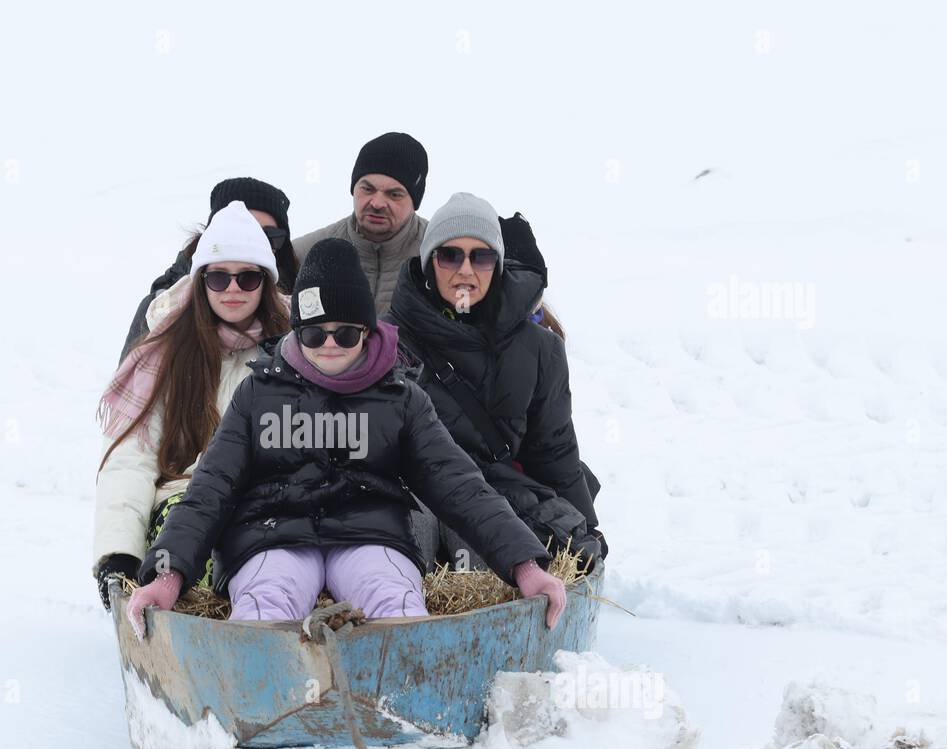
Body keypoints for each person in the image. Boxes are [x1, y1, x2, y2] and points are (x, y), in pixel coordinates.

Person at [123, 238, 566, 638]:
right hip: (271, 535)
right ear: (297, 331)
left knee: (396, 604)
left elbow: (458, 484)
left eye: (346, 333)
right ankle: (251, 714)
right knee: (263, 607)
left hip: (370, 534)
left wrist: (525, 565)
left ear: (368, 332)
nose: (329, 344)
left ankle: (403, 715)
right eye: (314, 332)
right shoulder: (258, 394)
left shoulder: (401, 398)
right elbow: (211, 489)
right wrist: (168, 574)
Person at [386, 192, 606, 570]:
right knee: (404, 552)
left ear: (498, 265)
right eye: (450, 255)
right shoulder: (386, 342)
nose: (466, 270)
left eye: (481, 256)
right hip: (411, 494)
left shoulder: (540, 350)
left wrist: (585, 530)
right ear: (428, 264)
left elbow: (553, 452)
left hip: (492, 498)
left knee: (485, 548)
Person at [92, 201, 291, 610]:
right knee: (187, 553)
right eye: (219, 278)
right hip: (183, 500)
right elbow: (133, 456)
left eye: (248, 278)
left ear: (266, 283)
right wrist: (119, 553)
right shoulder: (167, 351)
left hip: (266, 502)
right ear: (201, 281)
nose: (233, 289)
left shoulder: (295, 348)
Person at [119, 177, 298, 364]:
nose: (250, 241)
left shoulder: (298, 306)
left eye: (267, 236)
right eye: (218, 277)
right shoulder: (162, 309)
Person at [291, 132, 430, 315]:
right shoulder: (303, 254)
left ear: (415, 202)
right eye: (367, 189)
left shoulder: (442, 254)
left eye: (394, 194)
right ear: (353, 189)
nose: (377, 203)